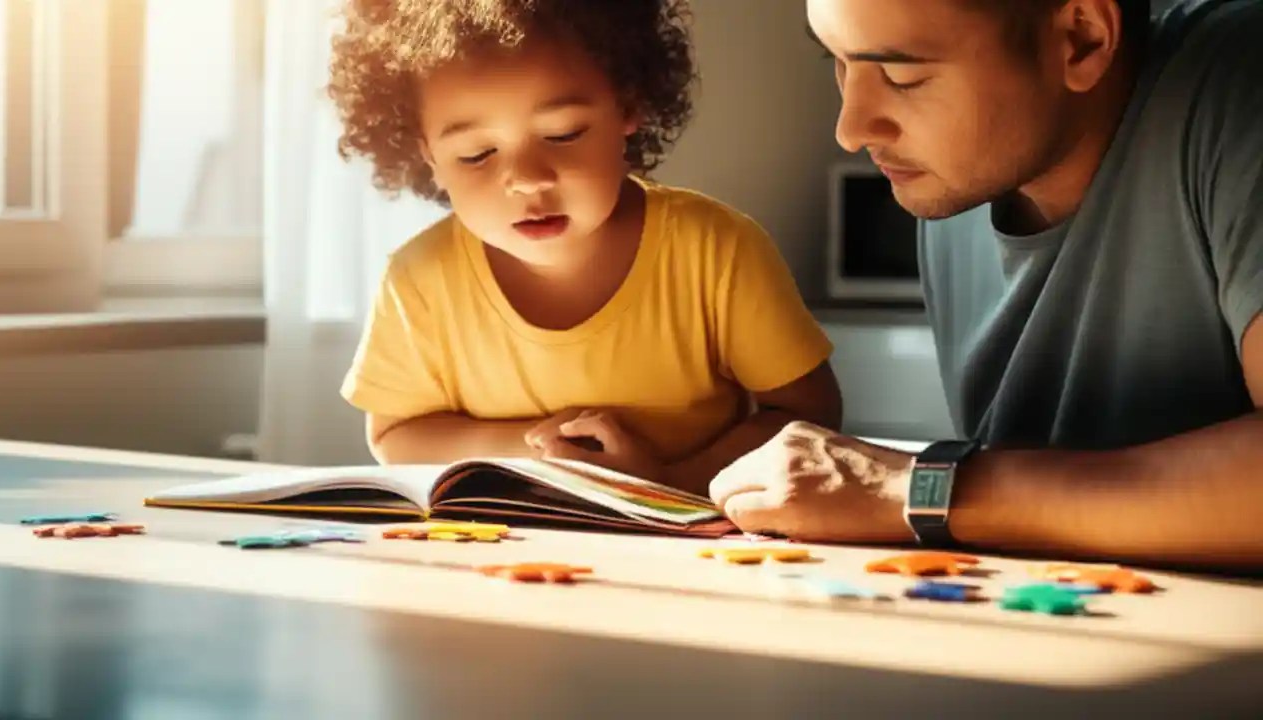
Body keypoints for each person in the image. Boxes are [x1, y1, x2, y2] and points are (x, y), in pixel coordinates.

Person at [710, 0, 1263, 569]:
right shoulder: (953, 188)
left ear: (1081, 39)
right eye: (840, 62)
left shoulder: (1241, 84)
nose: (851, 129)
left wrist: (919, 490)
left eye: (904, 77)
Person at [329, 0, 841, 494]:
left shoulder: (716, 251)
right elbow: (395, 436)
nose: (527, 181)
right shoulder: (418, 279)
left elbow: (811, 412)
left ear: (628, 107)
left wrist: (670, 483)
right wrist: (542, 449)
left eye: (563, 134)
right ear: (429, 155)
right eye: (477, 153)